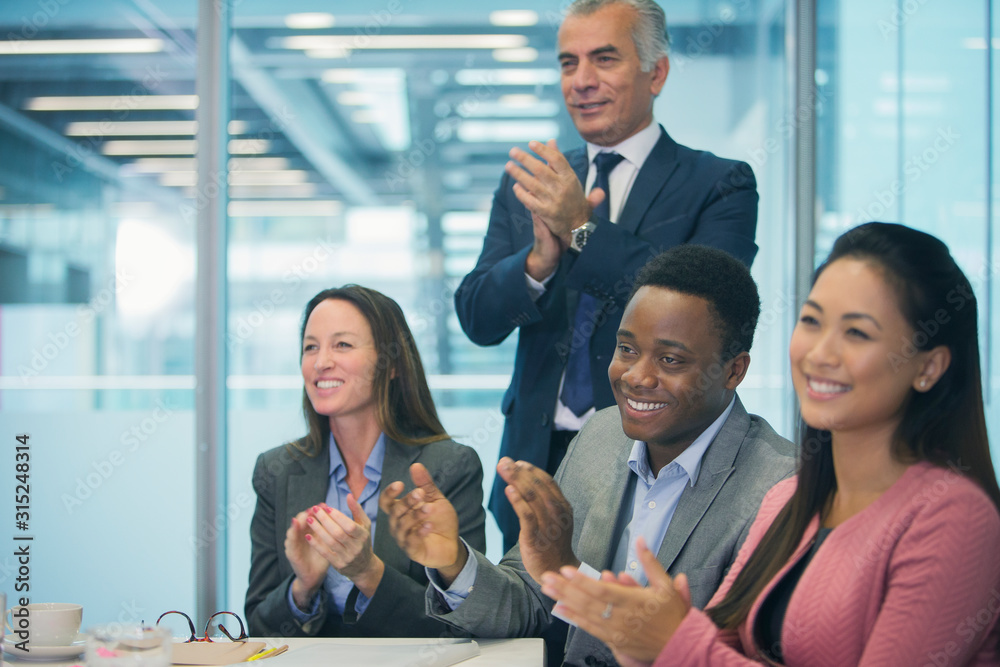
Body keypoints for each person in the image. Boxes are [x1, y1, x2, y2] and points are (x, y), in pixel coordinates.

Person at [541, 223, 1000, 666]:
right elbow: (711, 648)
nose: (820, 353)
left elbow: (694, 651)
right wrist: (650, 636)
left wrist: (674, 641)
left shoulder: (954, 517)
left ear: (928, 367)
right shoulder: (791, 498)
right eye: (812, 321)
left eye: (856, 333)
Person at [382, 246, 796, 666]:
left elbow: (739, 656)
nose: (636, 376)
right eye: (627, 349)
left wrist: (569, 572)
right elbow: (529, 602)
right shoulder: (600, 434)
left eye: (670, 360)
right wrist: (453, 562)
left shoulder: (779, 487)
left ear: (734, 370)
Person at [454, 0, 761, 551]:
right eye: (568, 63)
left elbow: (706, 308)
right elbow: (478, 318)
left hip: (655, 454)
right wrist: (537, 264)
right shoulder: (534, 181)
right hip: (534, 458)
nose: (582, 81)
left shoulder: (720, 185)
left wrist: (581, 228)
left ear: (656, 73)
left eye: (604, 59)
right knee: (524, 600)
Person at [245, 285, 486, 638]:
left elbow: (467, 622)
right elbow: (258, 625)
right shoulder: (276, 470)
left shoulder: (449, 466)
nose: (321, 362)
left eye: (342, 344)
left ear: (392, 365)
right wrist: (303, 587)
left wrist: (368, 572)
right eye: (311, 347)